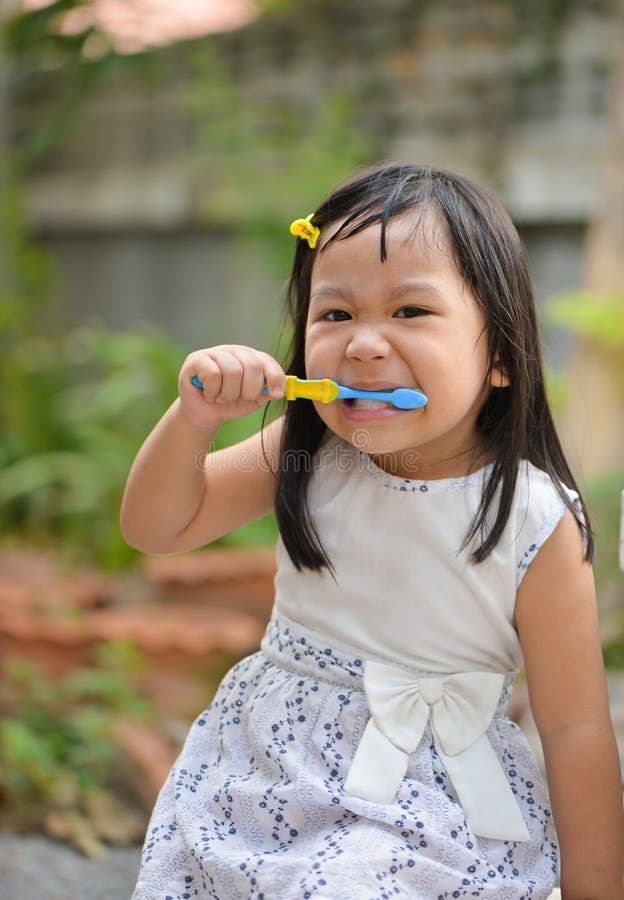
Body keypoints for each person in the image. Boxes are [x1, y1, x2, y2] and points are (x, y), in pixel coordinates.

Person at [121, 163, 624, 899]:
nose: (362, 345)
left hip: (420, 803)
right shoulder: (306, 452)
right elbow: (157, 529)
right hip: (265, 774)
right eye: (335, 315)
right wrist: (194, 420)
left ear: (503, 359)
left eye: (411, 312)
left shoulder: (533, 519)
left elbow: (576, 727)